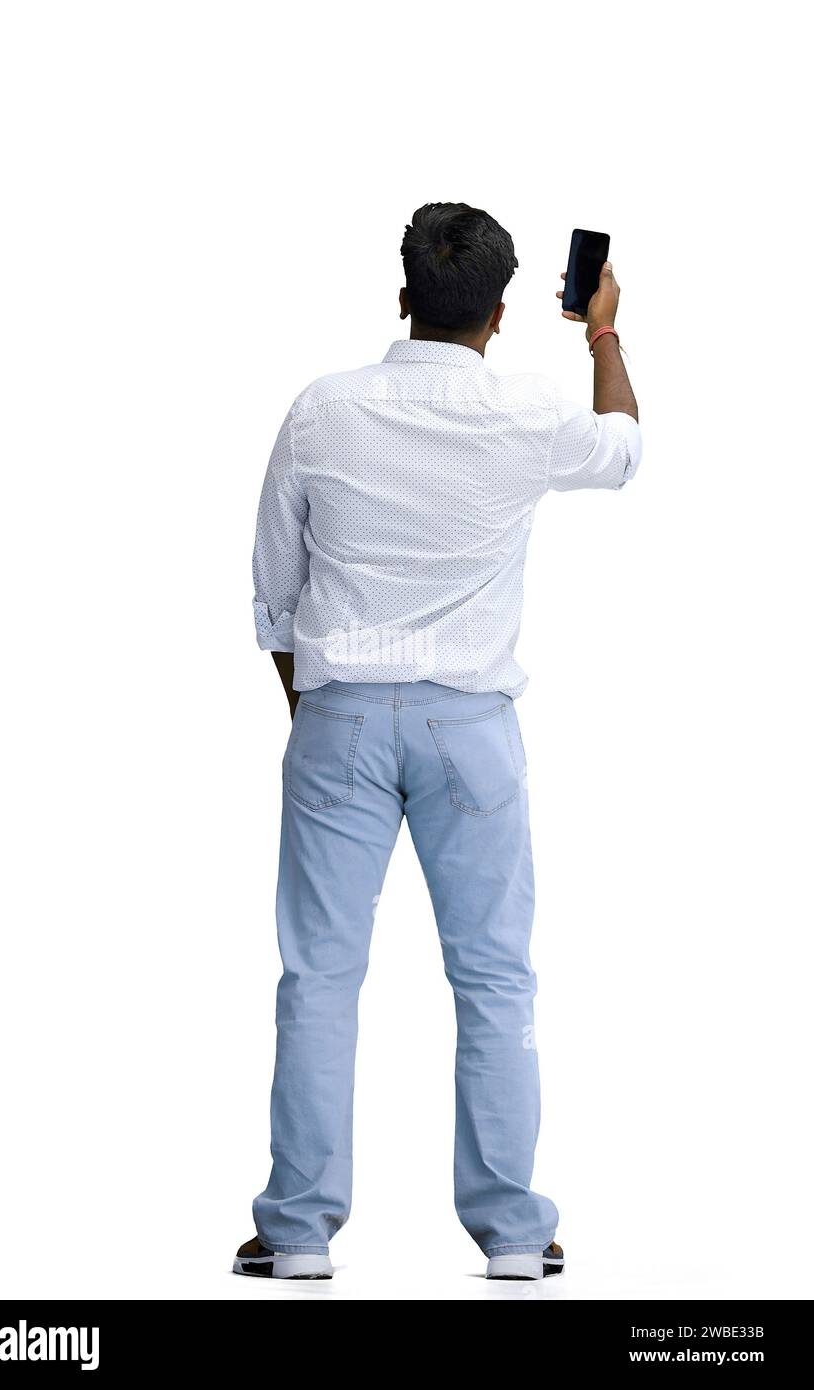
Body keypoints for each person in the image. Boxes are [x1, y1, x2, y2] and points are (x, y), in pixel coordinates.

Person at [235, 202, 640, 1282]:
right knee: (496, 977)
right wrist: (600, 330)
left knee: (317, 976)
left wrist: (317, 710)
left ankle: (298, 1233)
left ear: (402, 293)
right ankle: (512, 1231)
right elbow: (624, 449)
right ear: (502, 314)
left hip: (340, 717)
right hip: (472, 731)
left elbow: (275, 596)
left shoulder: (321, 411)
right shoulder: (525, 413)